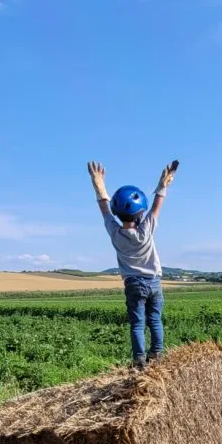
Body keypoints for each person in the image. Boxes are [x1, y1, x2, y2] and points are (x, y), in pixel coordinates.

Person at [87, 158, 179, 369]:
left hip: (133, 284)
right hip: (154, 283)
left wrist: (98, 184)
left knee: (137, 324)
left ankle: (139, 361)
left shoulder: (114, 232)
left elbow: (104, 208)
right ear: (140, 213)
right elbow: (157, 205)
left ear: (118, 214)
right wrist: (163, 184)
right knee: (155, 320)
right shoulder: (146, 230)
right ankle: (156, 355)